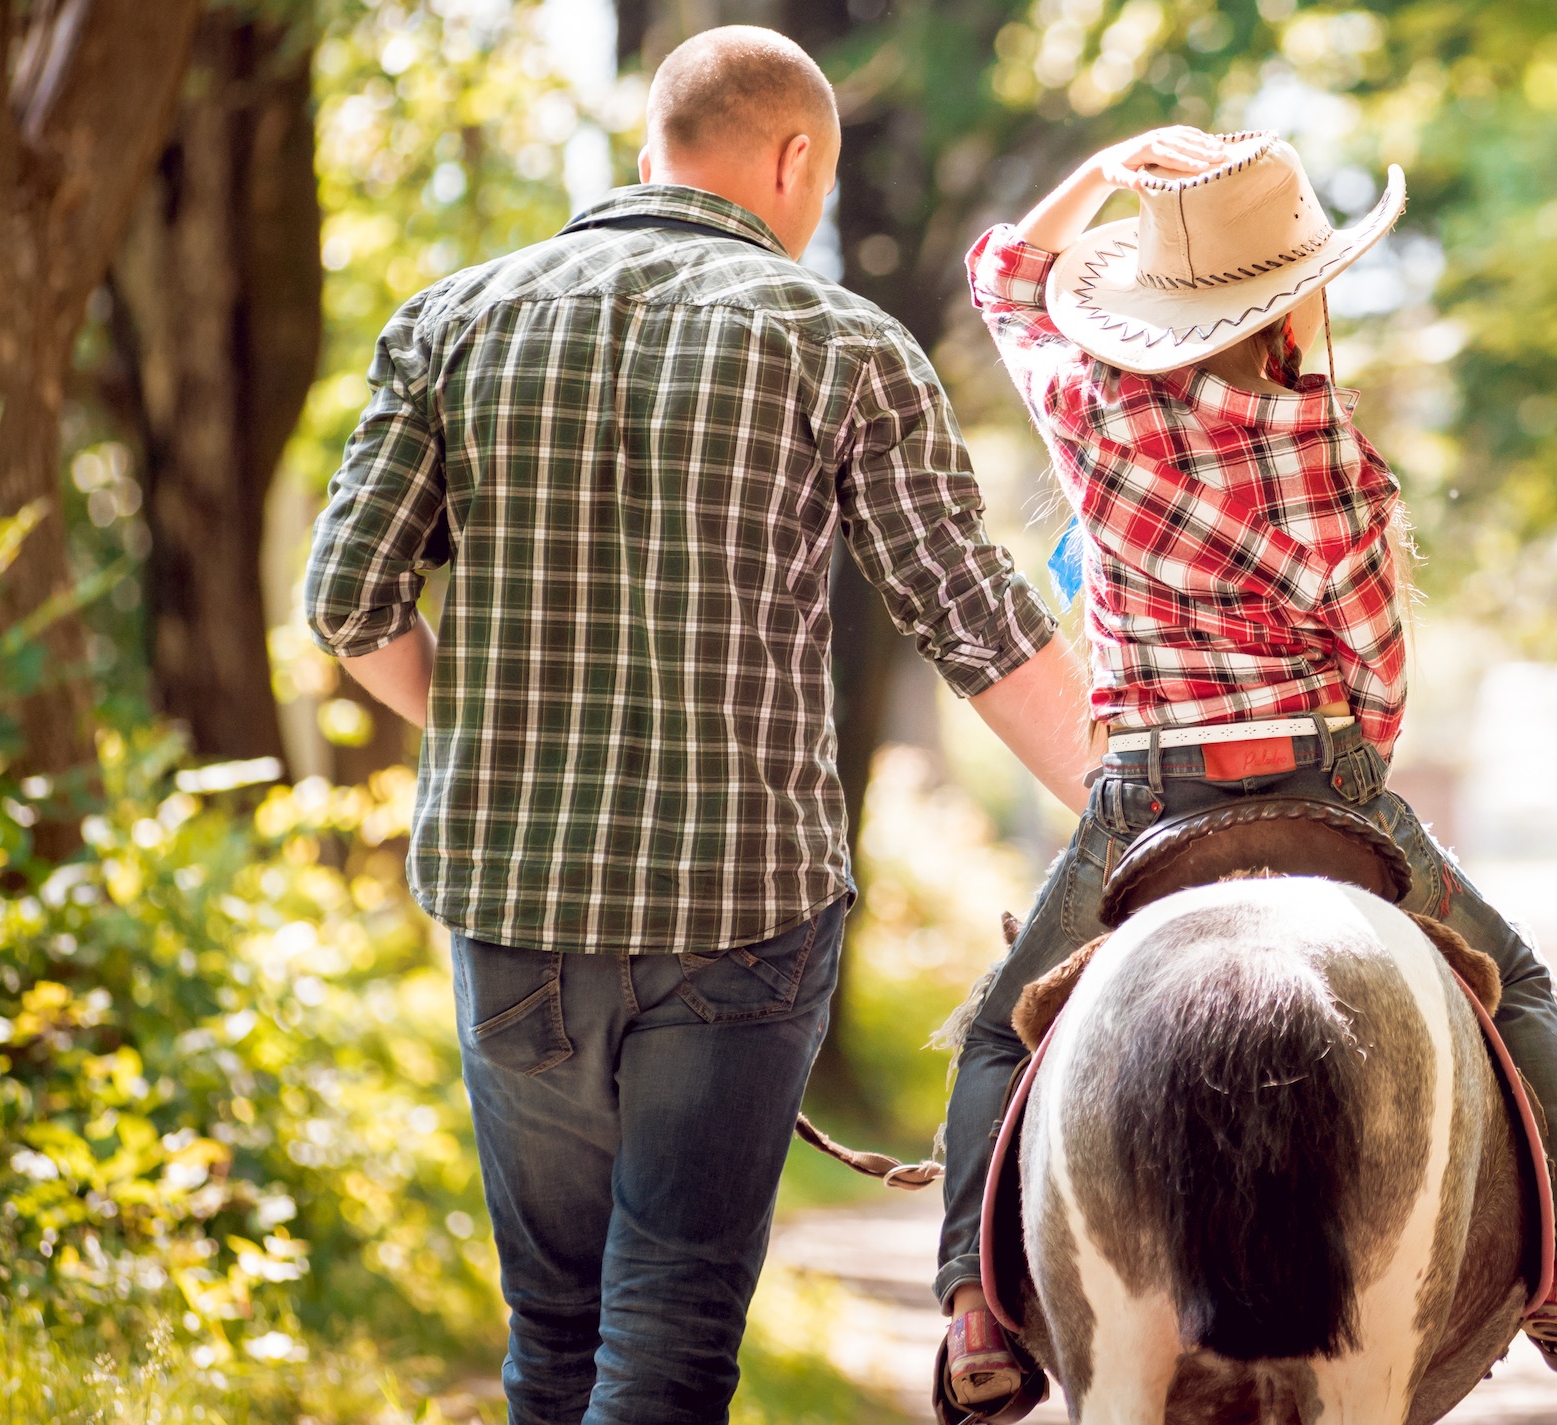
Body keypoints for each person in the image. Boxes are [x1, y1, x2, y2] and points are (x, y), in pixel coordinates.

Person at [302, 26, 1093, 1425]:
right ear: (795, 162)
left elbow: (349, 603)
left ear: (652, 143)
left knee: (553, 1339)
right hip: (741, 918)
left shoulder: (451, 319)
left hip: (512, 904)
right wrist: (1133, 811)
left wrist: (489, 731)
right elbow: (976, 623)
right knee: (665, 1344)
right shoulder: (842, 345)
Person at [931, 127, 1557, 1415]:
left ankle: (976, 1311)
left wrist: (1110, 166)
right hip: (1324, 787)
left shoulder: (1091, 404)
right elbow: (1378, 687)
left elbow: (1006, 274)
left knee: (996, 1029)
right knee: (1520, 983)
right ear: (1292, 298)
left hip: (1145, 798)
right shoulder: (1332, 457)